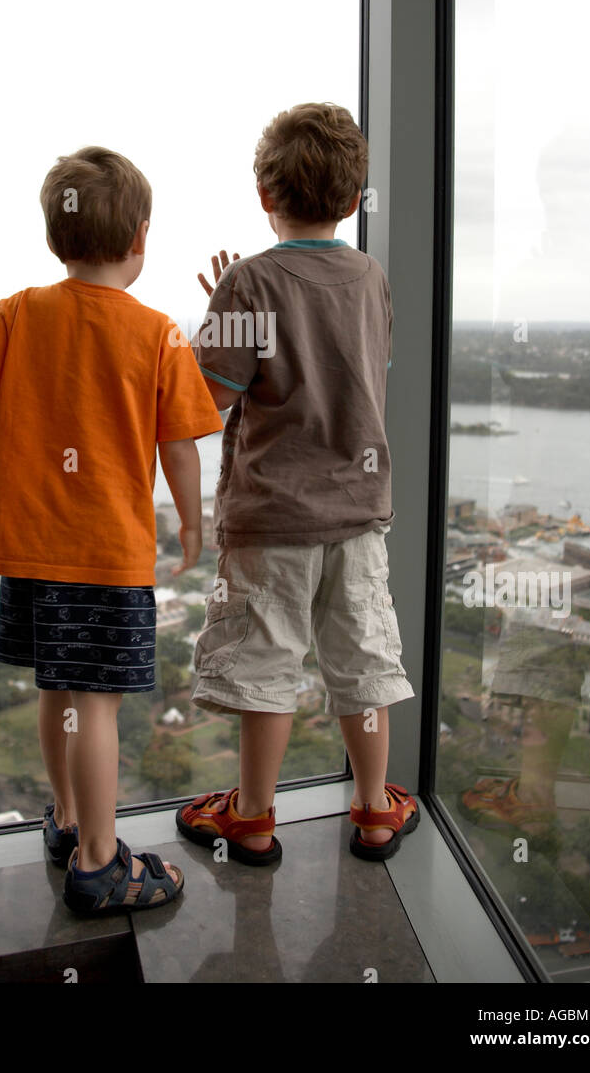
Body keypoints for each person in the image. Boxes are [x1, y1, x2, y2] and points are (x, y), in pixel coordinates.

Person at [0, 146, 223, 915]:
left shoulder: (18, 313)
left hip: (33, 549)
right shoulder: (157, 332)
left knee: (57, 687)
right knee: (97, 705)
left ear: (54, 237)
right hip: (106, 555)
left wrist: (8, 392)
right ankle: (100, 864)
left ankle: (65, 821)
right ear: (141, 238)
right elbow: (181, 446)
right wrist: (192, 526)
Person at [175, 103, 418, 865]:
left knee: (265, 668)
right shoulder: (370, 276)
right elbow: (354, 375)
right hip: (356, 513)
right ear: (352, 201)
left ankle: (252, 819)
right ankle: (377, 811)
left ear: (263, 195)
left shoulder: (249, 282)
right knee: (364, 662)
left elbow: (204, 397)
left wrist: (220, 312)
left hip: (272, 516)